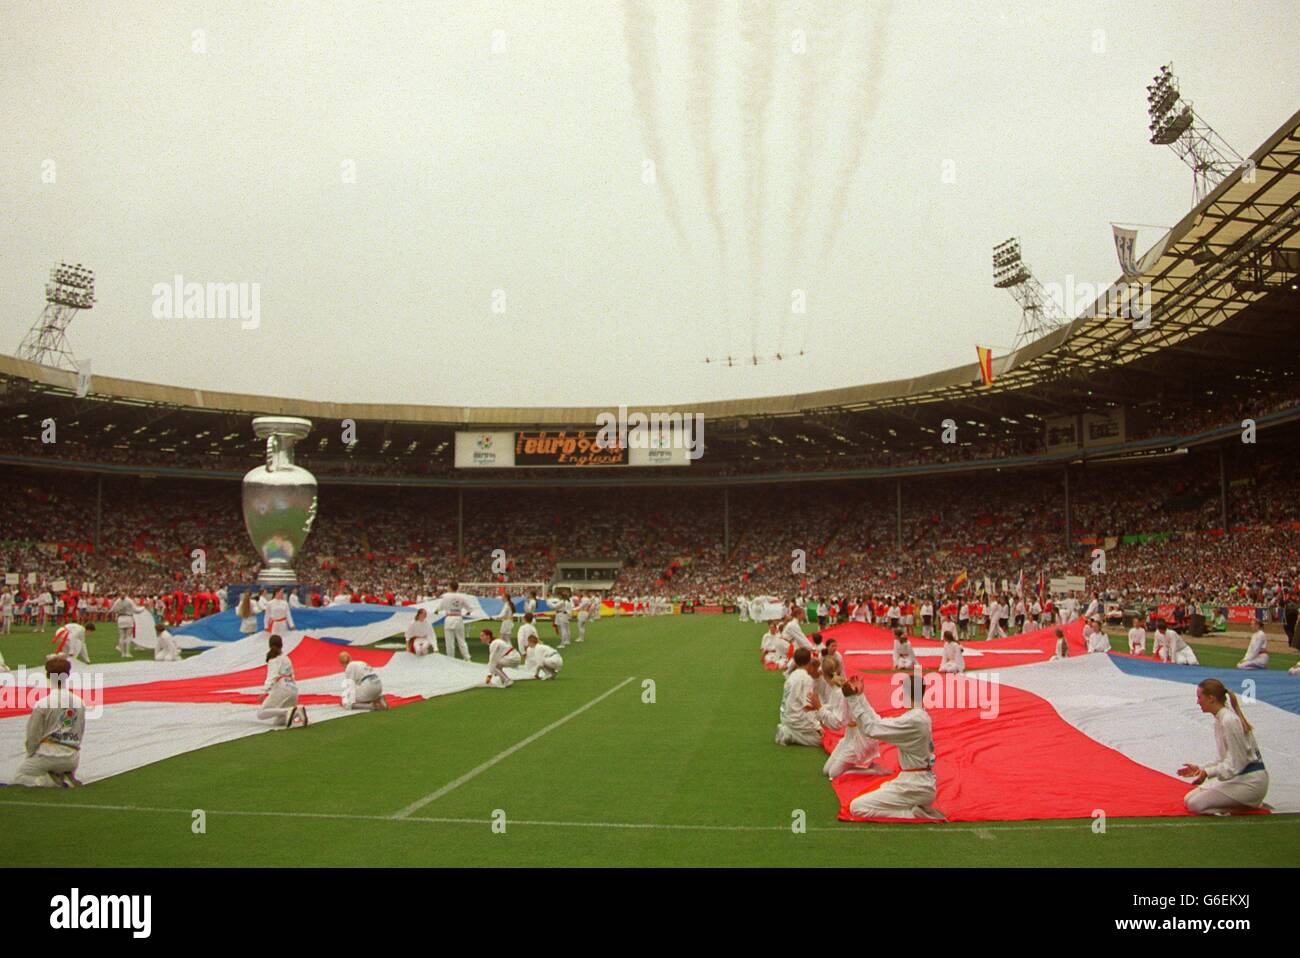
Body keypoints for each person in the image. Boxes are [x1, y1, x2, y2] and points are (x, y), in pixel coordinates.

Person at [840, 673, 945, 820]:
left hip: (914, 786)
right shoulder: (919, 717)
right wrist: (860, 697)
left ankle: (912, 814)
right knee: (874, 794)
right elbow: (878, 722)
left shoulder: (914, 720)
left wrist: (852, 699)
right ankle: (914, 809)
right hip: (917, 782)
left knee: (857, 807)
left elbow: (871, 729)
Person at [1178, 678, 1269, 815]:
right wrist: (1201, 768)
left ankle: (1246, 804)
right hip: (1242, 777)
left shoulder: (1228, 721)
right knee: (1188, 799)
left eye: (1199, 697)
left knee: (1195, 804)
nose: (1198, 702)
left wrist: (1208, 772)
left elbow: (1237, 763)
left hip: (1250, 781)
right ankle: (1243, 803)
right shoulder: (1221, 720)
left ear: (1211, 698)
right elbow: (1225, 758)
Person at [10, 656, 85, 787]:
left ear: (48, 676)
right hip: (72, 756)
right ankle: (64, 773)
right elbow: (81, 730)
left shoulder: (43, 703)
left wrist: (30, 755)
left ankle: (51, 780)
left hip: (48, 754)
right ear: (67, 676)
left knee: (19, 777)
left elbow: (33, 734)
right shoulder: (79, 702)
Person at [775, 649, 822, 746]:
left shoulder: (791, 676)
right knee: (821, 740)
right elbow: (808, 706)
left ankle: (790, 731)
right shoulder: (806, 679)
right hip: (796, 720)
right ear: (809, 661)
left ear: (795, 662)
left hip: (787, 717)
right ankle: (790, 734)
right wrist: (817, 727)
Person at [258, 636, 307, 727]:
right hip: (292, 688)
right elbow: (292, 675)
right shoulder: (286, 658)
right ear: (282, 645)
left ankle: (287, 710)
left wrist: (264, 691)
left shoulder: (273, 659)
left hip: (282, 687)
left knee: (261, 713)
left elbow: (272, 675)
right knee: (278, 723)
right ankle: (296, 711)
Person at [435, 582, 473, 660]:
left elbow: (440, 607)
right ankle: (467, 658)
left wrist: (436, 611)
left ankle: (450, 659)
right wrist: (468, 612)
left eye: (448, 586)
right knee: (461, 640)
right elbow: (470, 608)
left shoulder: (445, 596)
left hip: (449, 619)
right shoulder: (461, 597)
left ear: (450, 587)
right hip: (458, 618)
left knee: (449, 642)